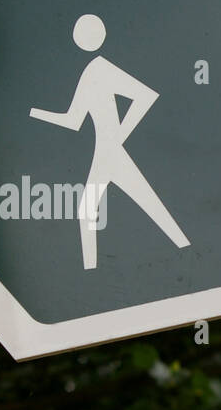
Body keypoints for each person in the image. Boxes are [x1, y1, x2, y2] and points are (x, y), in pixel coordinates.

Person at [29, 14, 190, 270]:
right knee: (129, 203)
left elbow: (145, 96)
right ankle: (93, 268)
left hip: (111, 150)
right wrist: (37, 113)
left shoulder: (102, 68)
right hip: (104, 153)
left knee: (136, 203)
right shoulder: (89, 72)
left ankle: (93, 269)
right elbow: (73, 120)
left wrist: (121, 134)